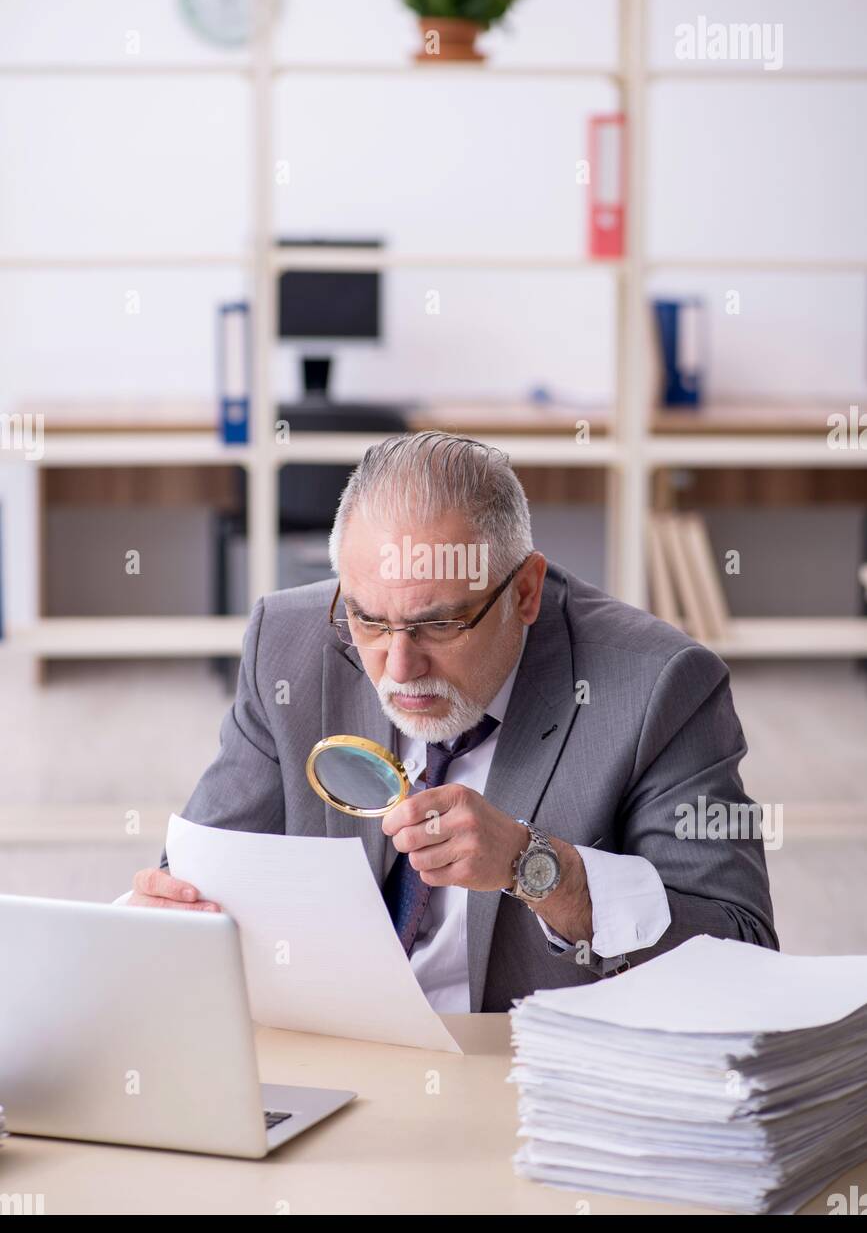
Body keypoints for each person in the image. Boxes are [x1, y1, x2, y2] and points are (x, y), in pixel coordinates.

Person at [125, 431, 777, 1012]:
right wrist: (172, 909)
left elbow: (740, 951)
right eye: (369, 620)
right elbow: (208, 869)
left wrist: (537, 868)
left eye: (439, 623)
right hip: (332, 1043)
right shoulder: (289, 643)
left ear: (523, 592)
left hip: (525, 1078)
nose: (399, 667)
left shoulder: (660, 683)